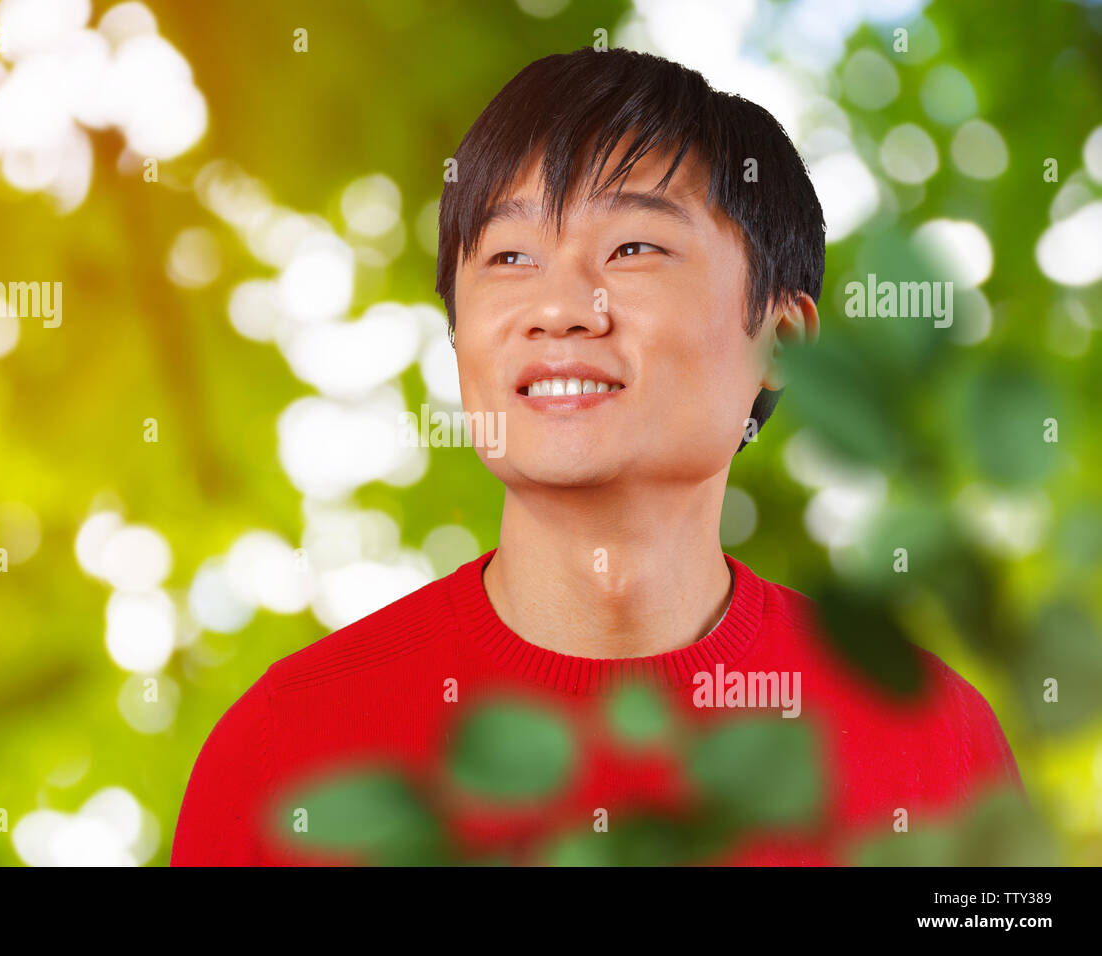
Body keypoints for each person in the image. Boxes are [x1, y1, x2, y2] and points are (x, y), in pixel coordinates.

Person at [172, 47, 1022, 866]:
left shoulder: (932, 741)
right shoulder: (288, 748)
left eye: (633, 248)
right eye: (509, 257)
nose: (560, 308)